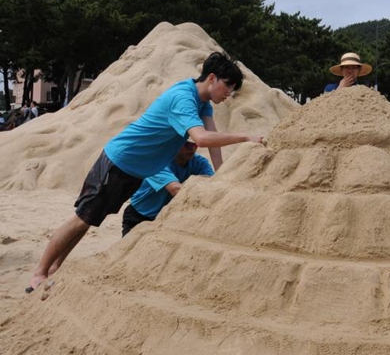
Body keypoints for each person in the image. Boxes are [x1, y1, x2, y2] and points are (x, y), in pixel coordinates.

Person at [26, 51, 262, 293]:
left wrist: (221, 174)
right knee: (81, 219)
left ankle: (55, 270)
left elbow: (212, 142)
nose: (229, 93)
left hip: (134, 171)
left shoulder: (202, 104)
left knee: (90, 221)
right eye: (228, 85)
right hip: (120, 162)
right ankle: (39, 273)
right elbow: (201, 138)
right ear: (212, 78)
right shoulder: (184, 98)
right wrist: (245, 136)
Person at [121, 140, 213, 236]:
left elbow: (212, 183)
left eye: (195, 144)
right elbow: (175, 190)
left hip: (166, 218)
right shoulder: (157, 162)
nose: (192, 148)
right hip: (140, 216)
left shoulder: (200, 162)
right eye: (187, 144)